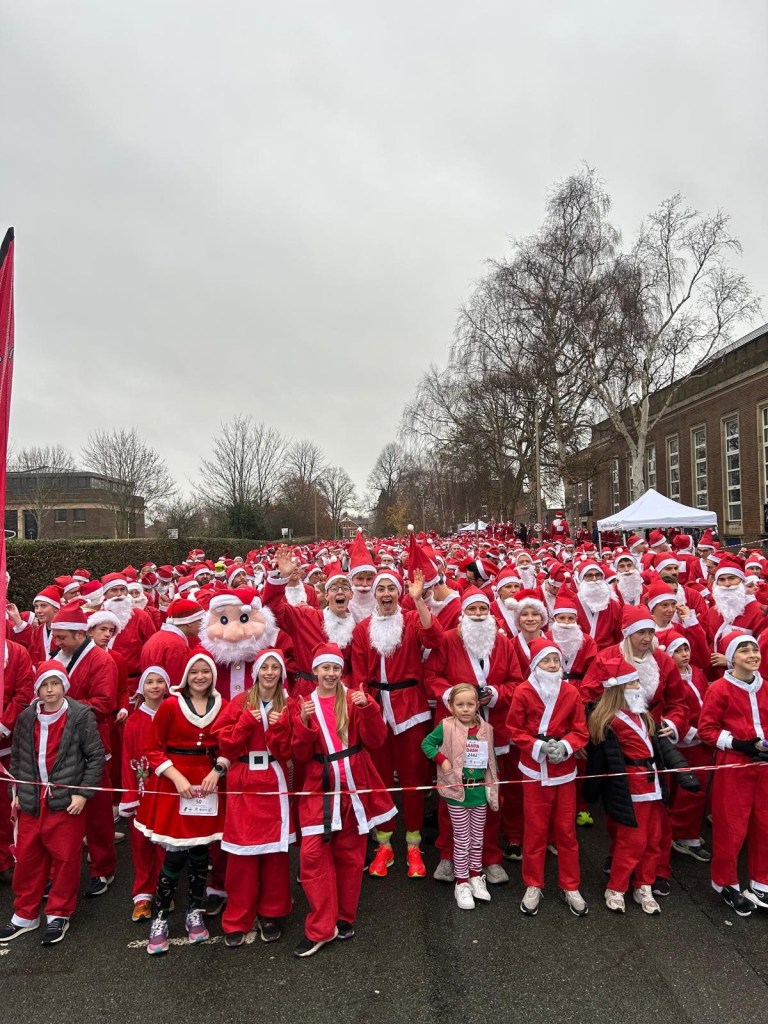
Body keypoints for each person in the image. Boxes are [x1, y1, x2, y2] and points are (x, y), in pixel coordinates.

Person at [291, 643, 395, 957]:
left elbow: (377, 741)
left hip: (355, 785)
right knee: (312, 856)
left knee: (350, 854)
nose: (331, 673)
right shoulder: (304, 704)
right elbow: (299, 754)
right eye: (325, 668)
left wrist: (369, 709)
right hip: (319, 789)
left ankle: (344, 916)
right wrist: (304, 724)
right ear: (316, 670)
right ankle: (322, 927)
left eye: (336, 668)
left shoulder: (353, 698)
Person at [0, 662, 105, 945]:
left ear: (64, 686)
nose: (50, 690)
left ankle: (59, 913)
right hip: (33, 800)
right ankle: (25, 912)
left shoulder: (80, 715)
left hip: (65, 800)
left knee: (66, 858)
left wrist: (83, 793)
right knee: (28, 857)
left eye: (55, 684)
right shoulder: (26, 718)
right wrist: (19, 791)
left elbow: (96, 757)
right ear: (37, 690)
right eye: (45, 685)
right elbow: (19, 757)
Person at [585, 655, 699, 916]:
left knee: (654, 840)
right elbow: (597, 763)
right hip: (631, 788)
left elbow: (664, 748)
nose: (639, 687)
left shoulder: (643, 716)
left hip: (654, 785)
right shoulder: (607, 721)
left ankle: (643, 884)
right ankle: (616, 886)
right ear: (620, 688)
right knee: (631, 841)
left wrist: (685, 774)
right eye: (633, 682)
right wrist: (591, 793)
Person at [135, 648, 228, 955]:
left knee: (201, 852)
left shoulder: (222, 705)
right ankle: (160, 917)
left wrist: (218, 769)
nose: (200, 677)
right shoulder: (170, 706)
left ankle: (194, 912)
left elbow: (230, 743)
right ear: (186, 676)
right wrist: (176, 778)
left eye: (206, 671)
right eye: (195, 672)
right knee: (175, 854)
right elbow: (153, 749)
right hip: (177, 785)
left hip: (207, 786)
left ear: (213, 675)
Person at [351, 567, 442, 879]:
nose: (386, 594)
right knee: (380, 779)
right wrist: (365, 707)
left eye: (391, 588)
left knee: (413, 777)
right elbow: (359, 672)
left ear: (399, 593)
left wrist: (418, 601)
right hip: (377, 710)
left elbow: (435, 636)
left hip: (411, 709)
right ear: (374, 595)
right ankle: (385, 842)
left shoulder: (412, 619)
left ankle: (414, 843)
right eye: (381, 589)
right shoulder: (363, 628)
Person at [212, 648, 296, 948]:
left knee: (275, 853)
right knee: (241, 854)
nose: (270, 672)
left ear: (282, 673)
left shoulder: (289, 704)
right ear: (256, 671)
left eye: (276, 667)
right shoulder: (239, 702)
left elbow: (290, 752)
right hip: (243, 777)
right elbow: (224, 742)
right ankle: (237, 917)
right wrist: (247, 722)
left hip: (273, 778)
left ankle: (271, 912)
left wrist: (278, 728)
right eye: (265, 667)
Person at [507, 639, 589, 917]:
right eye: (546, 661)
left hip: (564, 772)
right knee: (535, 830)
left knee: (566, 832)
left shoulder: (571, 693)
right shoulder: (523, 691)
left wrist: (566, 746)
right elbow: (514, 729)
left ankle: (571, 884)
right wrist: (538, 746)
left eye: (556, 660)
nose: (553, 665)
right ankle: (533, 883)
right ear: (535, 664)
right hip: (534, 770)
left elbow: (580, 730)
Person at [698, 632, 768, 916]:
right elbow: (707, 730)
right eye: (744, 651)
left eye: (755, 650)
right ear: (732, 657)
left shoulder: (766, 686)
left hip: (764, 768)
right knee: (731, 827)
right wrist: (738, 743)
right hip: (734, 766)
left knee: (765, 824)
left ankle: (761, 881)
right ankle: (726, 883)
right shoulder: (719, 688)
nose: (752, 655)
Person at [422, 683, 499, 910]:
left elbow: (491, 760)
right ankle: (462, 881)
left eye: (470, 704)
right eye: (460, 705)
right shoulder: (445, 727)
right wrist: (441, 759)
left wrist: (494, 788)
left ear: (477, 705)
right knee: (462, 838)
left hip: (479, 793)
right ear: (451, 706)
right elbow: (426, 744)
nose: (465, 709)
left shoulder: (487, 729)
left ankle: (476, 876)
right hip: (457, 793)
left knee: (477, 838)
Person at [118, 666, 169, 922]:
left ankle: (163, 891)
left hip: (168, 793)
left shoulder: (173, 715)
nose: (155, 686)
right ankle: (142, 894)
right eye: (150, 681)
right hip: (142, 793)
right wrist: (130, 796)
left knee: (165, 845)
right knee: (141, 846)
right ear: (142, 688)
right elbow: (127, 758)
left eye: (160, 681)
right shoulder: (134, 722)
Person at [0, 638, 35, 884]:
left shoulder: (17, 652)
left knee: (6, 806)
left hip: (6, 741)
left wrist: (4, 726)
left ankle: (6, 858)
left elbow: (24, 691)